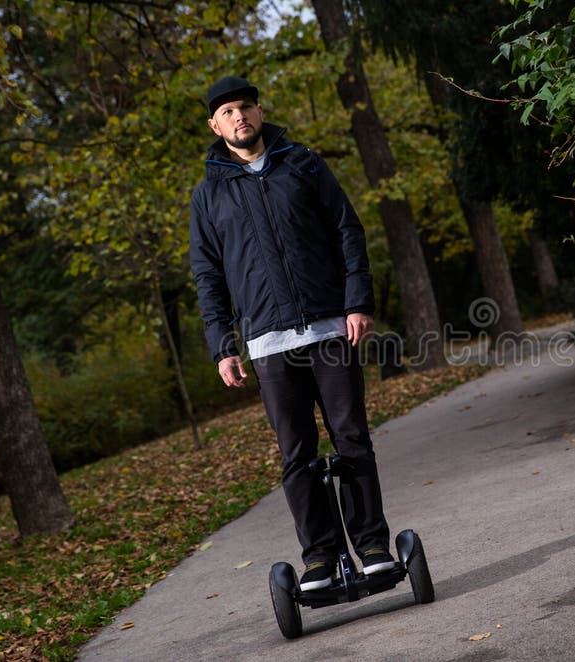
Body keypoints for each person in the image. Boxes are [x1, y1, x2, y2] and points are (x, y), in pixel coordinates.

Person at [189, 76, 396, 591]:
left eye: (245, 108)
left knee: (352, 440)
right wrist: (222, 346)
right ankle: (320, 559)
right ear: (215, 126)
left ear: (259, 112)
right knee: (296, 455)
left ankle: (372, 545)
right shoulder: (208, 195)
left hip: (330, 327)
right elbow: (208, 274)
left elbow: (347, 230)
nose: (239, 118)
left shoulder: (302, 163)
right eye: (227, 113)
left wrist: (357, 302)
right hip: (267, 343)